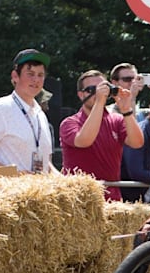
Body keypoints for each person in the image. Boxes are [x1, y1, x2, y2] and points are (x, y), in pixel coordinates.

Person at [60, 70, 144, 201]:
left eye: (103, 88)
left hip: (111, 200)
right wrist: (99, 102)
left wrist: (126, 110)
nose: (99, 92)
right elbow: (84, 141)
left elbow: (137, 142)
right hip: (78, 200)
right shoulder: (69, 123)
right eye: (92, 89)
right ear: (81, 95)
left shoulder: (116, 120)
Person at [0, 49, 55, 174]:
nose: (36, 79)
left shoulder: (40, 114)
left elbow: (46, 164)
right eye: (30, 73)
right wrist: (13, 175)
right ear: (15, 76)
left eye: (40, 75)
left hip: (39, 191)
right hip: (8, 192)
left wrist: (68, 182)